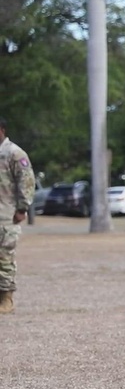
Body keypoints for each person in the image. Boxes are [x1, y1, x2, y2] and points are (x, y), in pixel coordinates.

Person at [0, 117, 35, 315]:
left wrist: (23, 208)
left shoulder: (14, 153)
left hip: (6, 215)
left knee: (4, 257)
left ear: (2, 130)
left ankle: (7, 298)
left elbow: (27, 180)